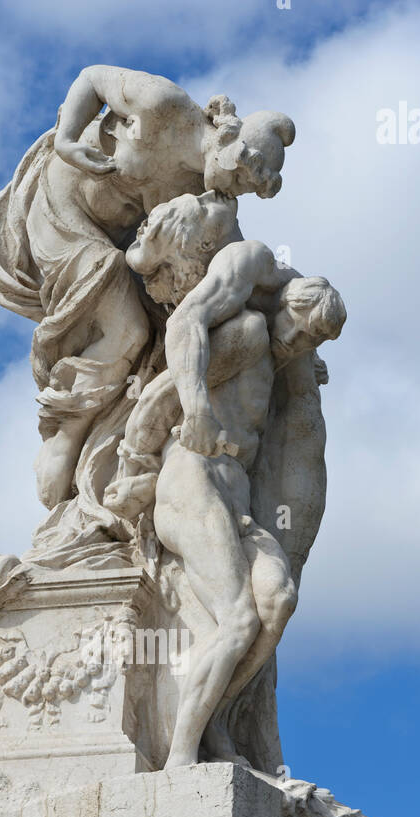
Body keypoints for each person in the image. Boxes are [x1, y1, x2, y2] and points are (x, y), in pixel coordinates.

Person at [0, 66, 295, 511]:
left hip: (123, 241)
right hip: (65, 210)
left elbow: (236, 257)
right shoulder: (163, 105)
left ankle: (107, 458)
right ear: (231, 152)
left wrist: (288, 312)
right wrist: (66, 141)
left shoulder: (200, 189)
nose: (239, 193)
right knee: (126, 326)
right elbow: (90, 79)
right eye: (243, 180)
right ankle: (64, 433)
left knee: (157, 337)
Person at [104, 191, 345, 768]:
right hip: (194, 480)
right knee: (238, 617)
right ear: (282, 304)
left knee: (277, 600)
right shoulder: (247, 335)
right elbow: (158, 396)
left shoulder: (281, 363)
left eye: (311, 341)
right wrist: (141, 464)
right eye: (299, 328)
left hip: (232, 493)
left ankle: (210, 720)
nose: (300, 344)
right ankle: (182, 756)